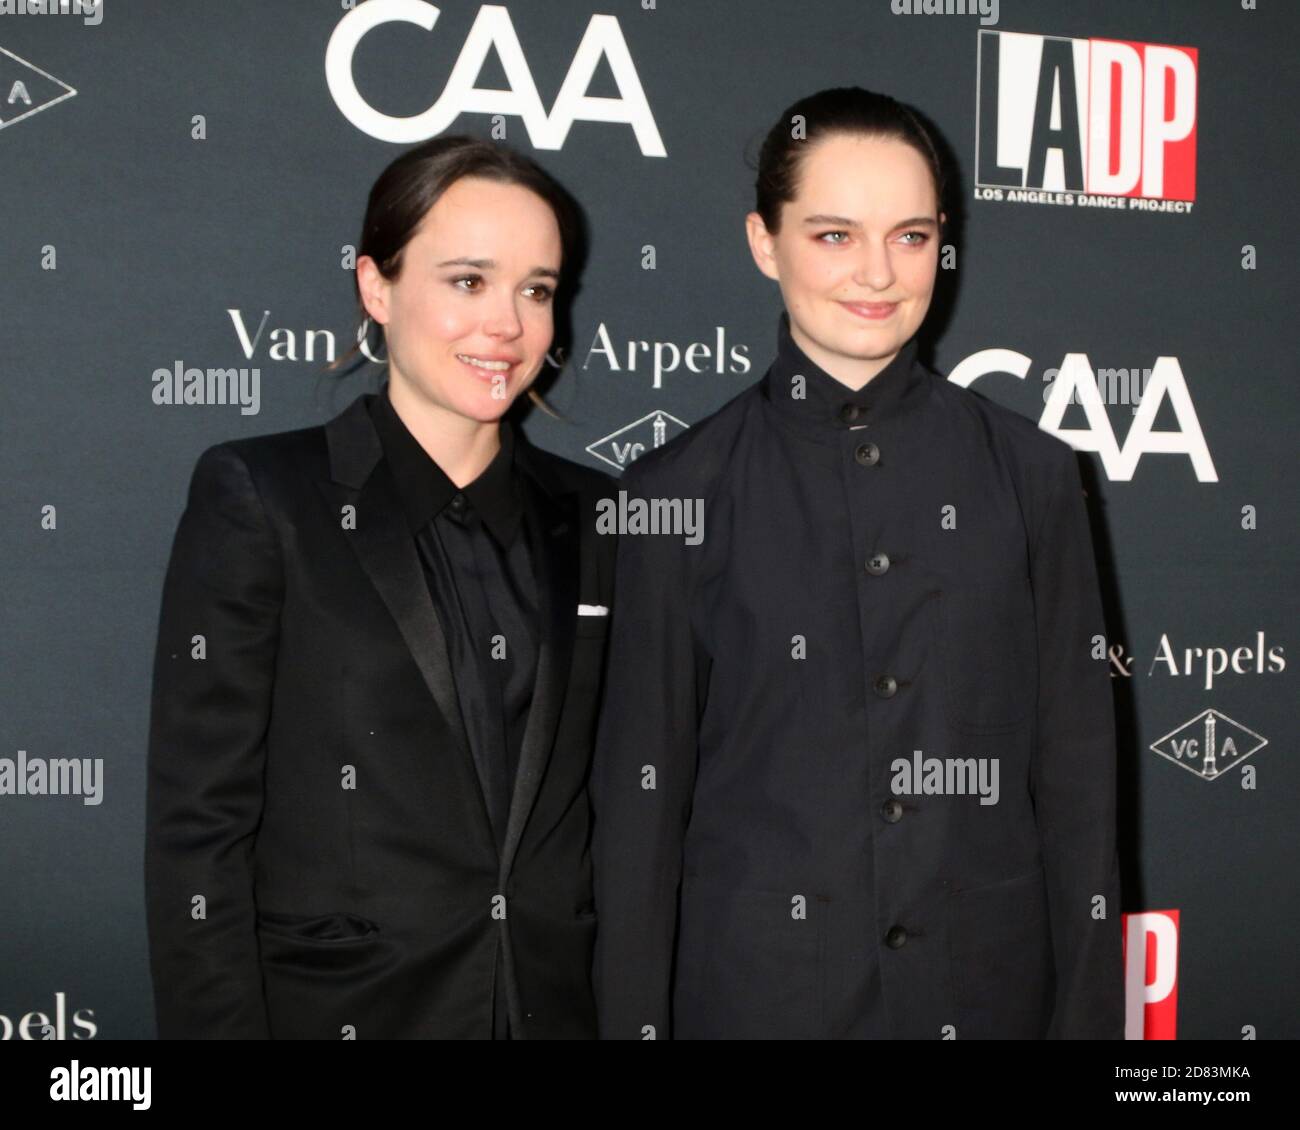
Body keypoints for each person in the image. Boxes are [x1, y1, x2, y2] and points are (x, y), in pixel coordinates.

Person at [591, 87, 1123, 1040]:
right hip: (757, 1003)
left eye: (911, 236)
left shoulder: (1036, 473)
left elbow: (1080, 787)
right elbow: (641, 818)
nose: (878, 272)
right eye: (835, 235)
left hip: (987, 997)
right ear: (765, 241)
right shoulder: (670, 494)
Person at [145, 136, 615, 1039]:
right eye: (468, 281)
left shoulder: (602, 519)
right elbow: (199, 833)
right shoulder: (264, 497)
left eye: (537, 289)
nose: (507, 326)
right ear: (376, 286)